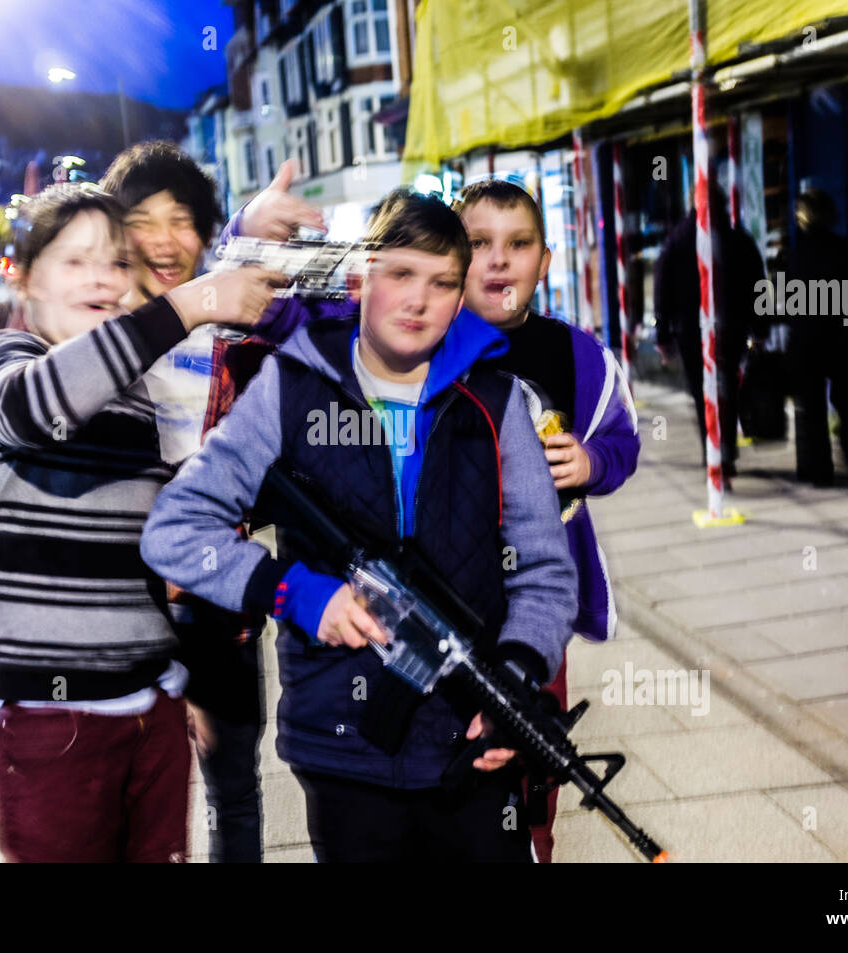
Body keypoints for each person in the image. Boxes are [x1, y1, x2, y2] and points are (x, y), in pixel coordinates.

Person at [141, 189, 578, 862]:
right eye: (400, 274)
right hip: (340, 743)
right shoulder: (292, 388)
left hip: (469, 744)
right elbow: (175, 528)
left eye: (442, 283)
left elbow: (545, 569)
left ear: (461, 297)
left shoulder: (494, 401)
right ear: (359, 279)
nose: (419, 301)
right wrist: (297, 593)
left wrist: (516, 675)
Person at [0, 182, 282, 862]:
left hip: (149, 706)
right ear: (26, 278)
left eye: (113, 262)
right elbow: (40, 407)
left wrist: (171, 681)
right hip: (50, 723)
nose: (100, 277)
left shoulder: (135, 394)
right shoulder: (6, 360)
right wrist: (192, 303)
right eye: (75, 260)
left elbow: (144, 555)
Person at [99, 144, 322, 862]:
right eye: (144, 220)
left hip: (218, 595)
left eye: (183, 220)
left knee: (234, 784)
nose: (166, 239)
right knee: (128, 789)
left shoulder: (233, 324)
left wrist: (251, 227)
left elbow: (276, 297)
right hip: (122, 602)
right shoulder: (93, 334)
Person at [453, 179, 640, 862]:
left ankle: (535, 844)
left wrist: (591, 462)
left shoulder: (577, 354)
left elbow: (623, 440)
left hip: (540, 601)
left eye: (518, 243)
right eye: (478, 244)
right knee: (464, 752)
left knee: (536, 749)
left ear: (546, 259)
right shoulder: (422, 343)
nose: (499, 259)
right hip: (450, 598)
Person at [654, 185, 766, 480]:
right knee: (727, 390)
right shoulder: (737, 239)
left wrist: (663, 334)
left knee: (702, 393)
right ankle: (725, 450)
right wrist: (760, 328)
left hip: (690, 333)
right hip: (732, 329)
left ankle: (712, 452)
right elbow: (758, 285)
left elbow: (662, 288)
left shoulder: (677, 240)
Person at [788, 188, 848, 485]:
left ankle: (820, 469)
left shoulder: (796, 255)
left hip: (808, 340)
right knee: (847, 401)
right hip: (842, 339)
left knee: (812, 408)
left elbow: (791, 302)